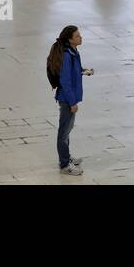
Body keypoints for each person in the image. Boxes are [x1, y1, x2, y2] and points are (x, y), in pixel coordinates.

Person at [47, 25, 91, 176]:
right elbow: (65, 80)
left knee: (67, 130)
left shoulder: (73, 52)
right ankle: (65, 164)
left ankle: (66, 157)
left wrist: (83, 71)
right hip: (67, 99)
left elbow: (72, 71)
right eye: (78, 36)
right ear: (70, 39)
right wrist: (72, 102)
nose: (81, 37)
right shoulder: (67, 55)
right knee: (64, 132)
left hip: (70, 98)